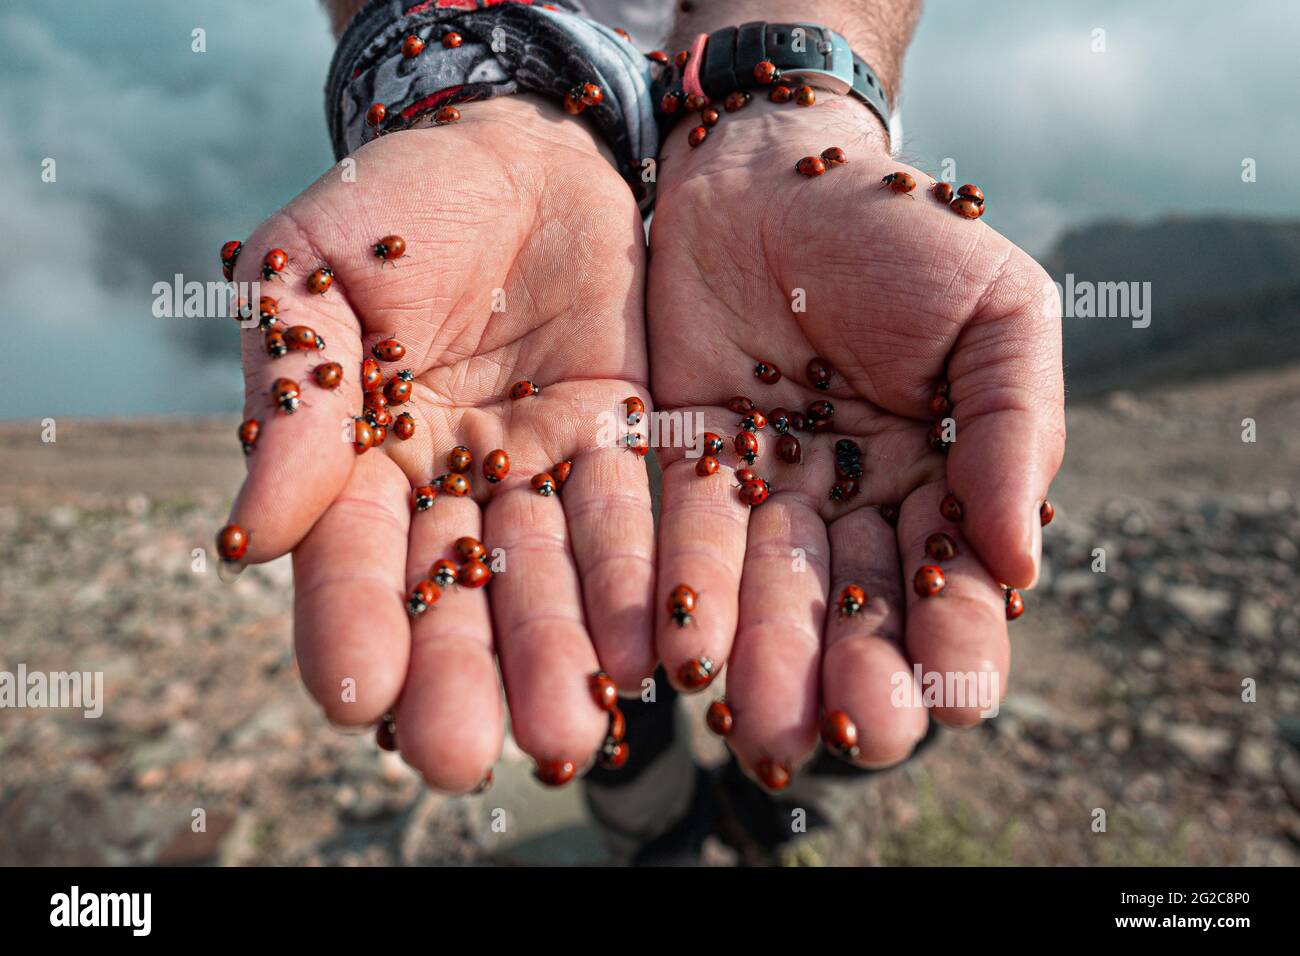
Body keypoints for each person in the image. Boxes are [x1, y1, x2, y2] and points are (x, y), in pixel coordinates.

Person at [224, 0, 1064, 864]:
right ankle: (654, 823)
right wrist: (469, 80)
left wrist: (785, 97)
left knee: (872, 624)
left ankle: (773, 810)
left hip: (812, 312)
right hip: (541, 331)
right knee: (601, 624)